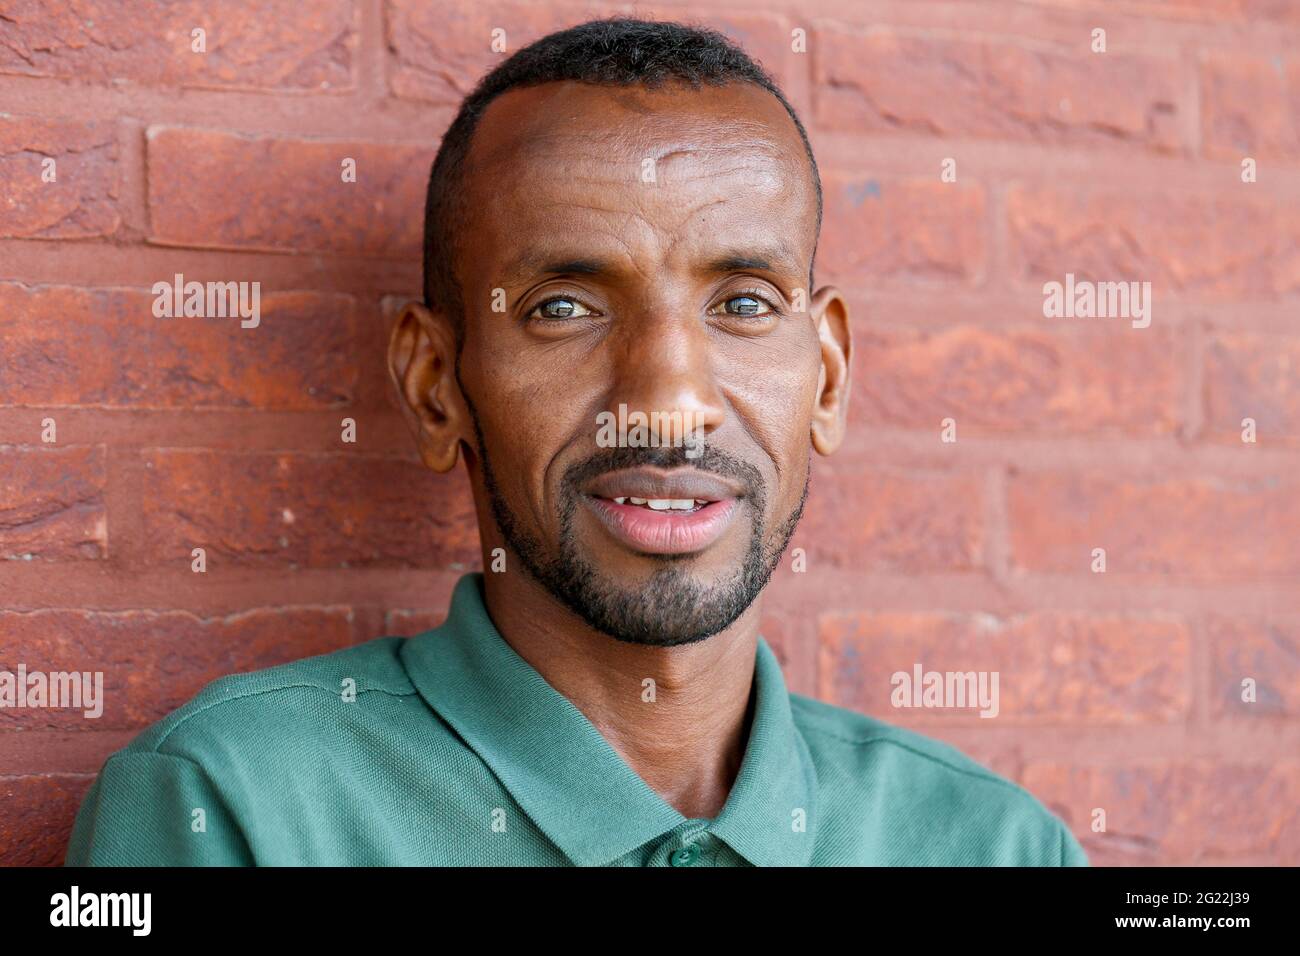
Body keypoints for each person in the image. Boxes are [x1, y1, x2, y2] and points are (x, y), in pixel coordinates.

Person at [66, 17, 1087, 867]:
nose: (670, 402)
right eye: (562, 306)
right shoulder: (237, 806)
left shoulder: (994, 845)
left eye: (740, 301)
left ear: (826, 376)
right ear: (435, 387)